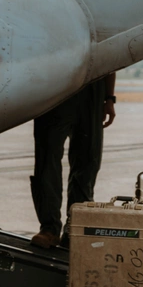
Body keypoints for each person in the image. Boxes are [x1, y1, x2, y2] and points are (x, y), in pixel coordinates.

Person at [30, 73, 116, 248]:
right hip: (54, 85)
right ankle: (49, 229)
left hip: (92, 86)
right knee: (47, 160)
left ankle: (76, 228)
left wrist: (109, 98)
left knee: (88, 162)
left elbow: (110, 54)